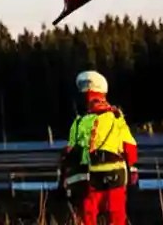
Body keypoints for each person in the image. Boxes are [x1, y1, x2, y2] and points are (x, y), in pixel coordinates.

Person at [58, 70, 138, 225]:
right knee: (116, 219)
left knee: (86, 218)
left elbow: (70, 152)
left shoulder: (78, 122)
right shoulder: (115, 118)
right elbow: (131, 151)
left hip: (86, 183)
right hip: (114, 180)